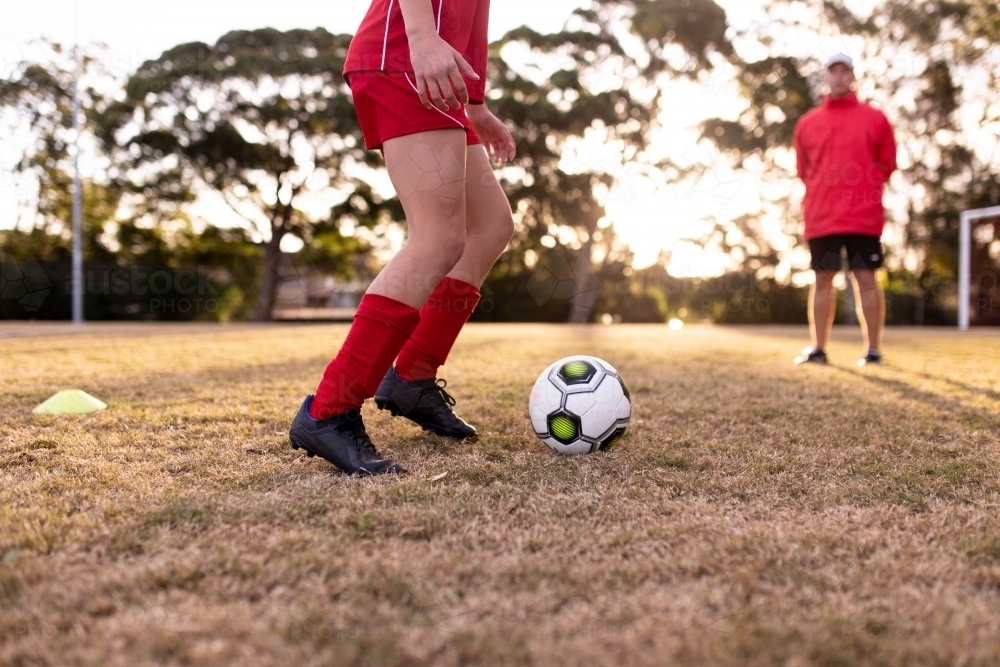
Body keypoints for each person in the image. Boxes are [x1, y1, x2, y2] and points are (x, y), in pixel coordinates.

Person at [290, 0, 516, 475]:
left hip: (440, 70)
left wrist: (476, 103)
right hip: (404, 56)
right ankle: (328, 410)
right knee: (437, 239)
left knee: (491, 226)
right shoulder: (414, 42)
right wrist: (421, 37)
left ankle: (413, 375)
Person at [792, 53, 897, 368]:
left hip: (862, 217)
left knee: (865, 278)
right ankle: (818, 349)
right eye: (832, 71)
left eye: (844, 71)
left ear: (852, 76)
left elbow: (887, 163)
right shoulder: (808, 123)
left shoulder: (875, 118)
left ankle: (873, 350)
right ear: (826, 76)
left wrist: (864, 189)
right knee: (823, 279)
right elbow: (803, 168)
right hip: (822, 217)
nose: (838, 76)